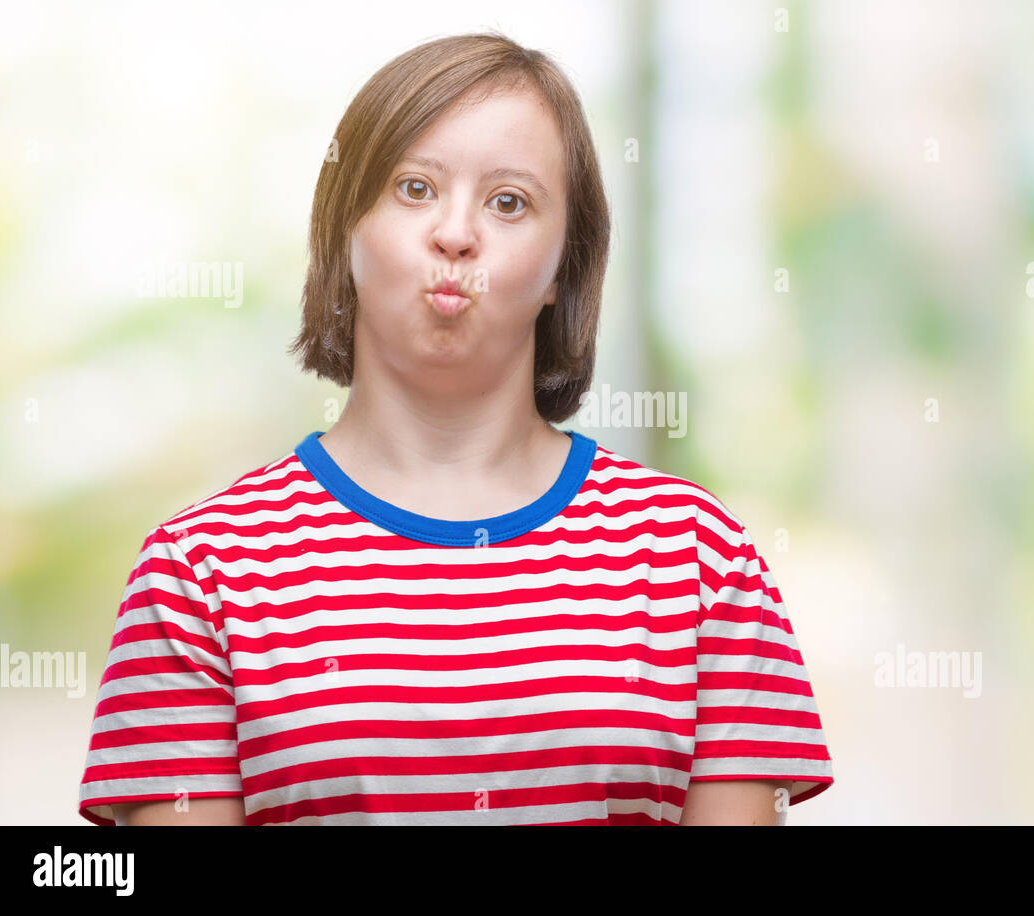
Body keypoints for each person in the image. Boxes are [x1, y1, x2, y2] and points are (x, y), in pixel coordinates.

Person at [77, 32, 833, 826]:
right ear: (344, 229)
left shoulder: (704, 562)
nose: (455, 233)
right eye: (413, 188)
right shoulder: (196, 576)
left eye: (509, 202)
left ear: (561, 270)